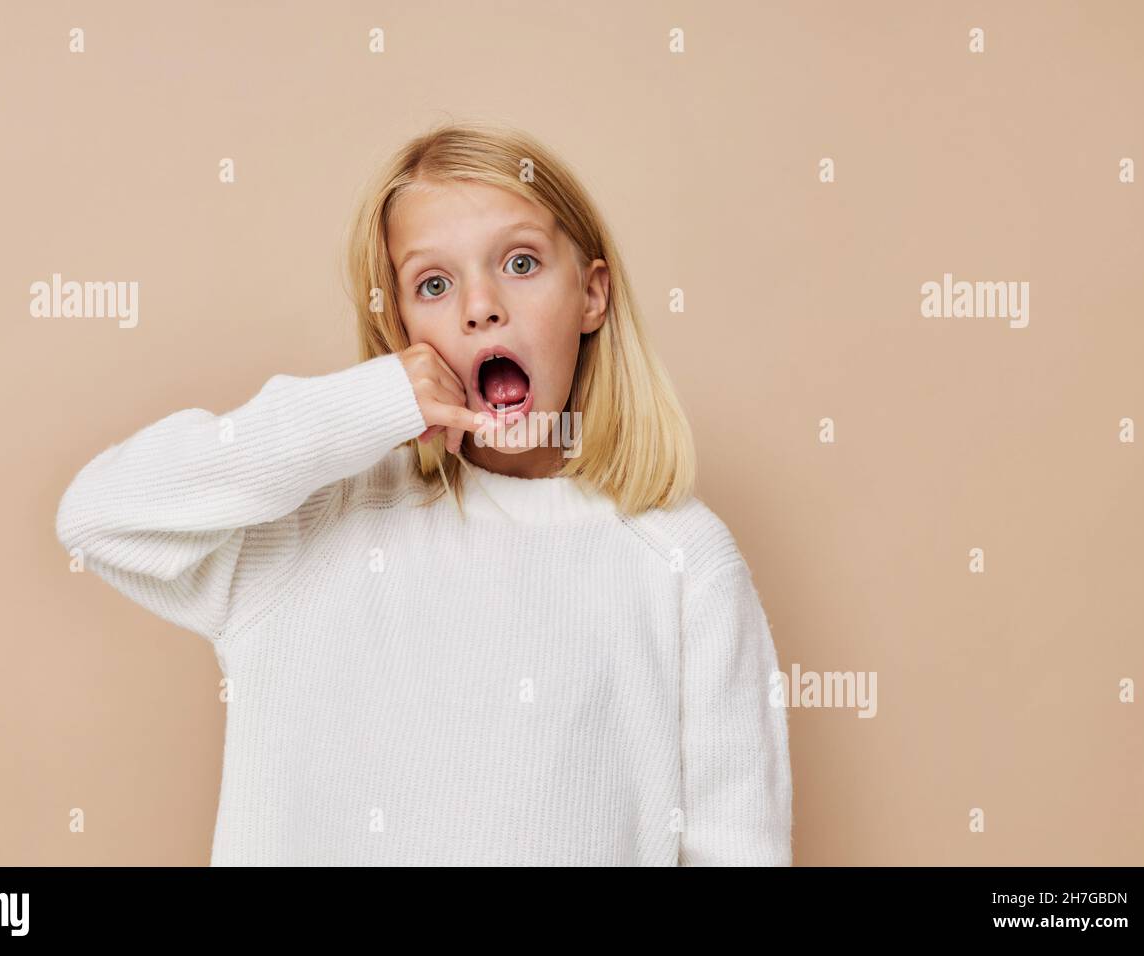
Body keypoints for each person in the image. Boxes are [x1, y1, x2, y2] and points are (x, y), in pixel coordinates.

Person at [55, 121, 792, 866]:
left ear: (593, 296)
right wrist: (368, 402)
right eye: (433, 284)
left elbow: (738, 847)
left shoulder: (682, 563)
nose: (481, 307)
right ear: (400, 325)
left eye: (522, 262)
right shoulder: (317, 521)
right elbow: (98, 516)